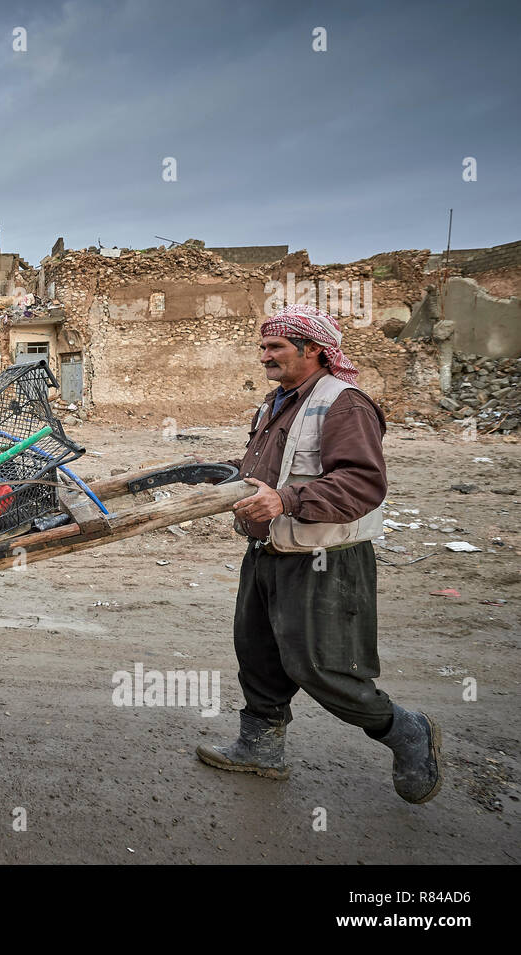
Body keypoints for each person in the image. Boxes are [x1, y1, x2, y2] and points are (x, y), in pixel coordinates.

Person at [197, 303, 442, 803]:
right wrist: (219, 472)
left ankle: (405, 729)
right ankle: (261, 749)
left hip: (324, 558)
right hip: (269, 550)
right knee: (258, 654)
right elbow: (269, 470)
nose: (264, 356)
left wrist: (286, 501)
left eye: (275, 347)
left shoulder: (344, 404)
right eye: (263, 347)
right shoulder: (277, 403)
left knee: (323, 667)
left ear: (313, 350)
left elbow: (361, 482)